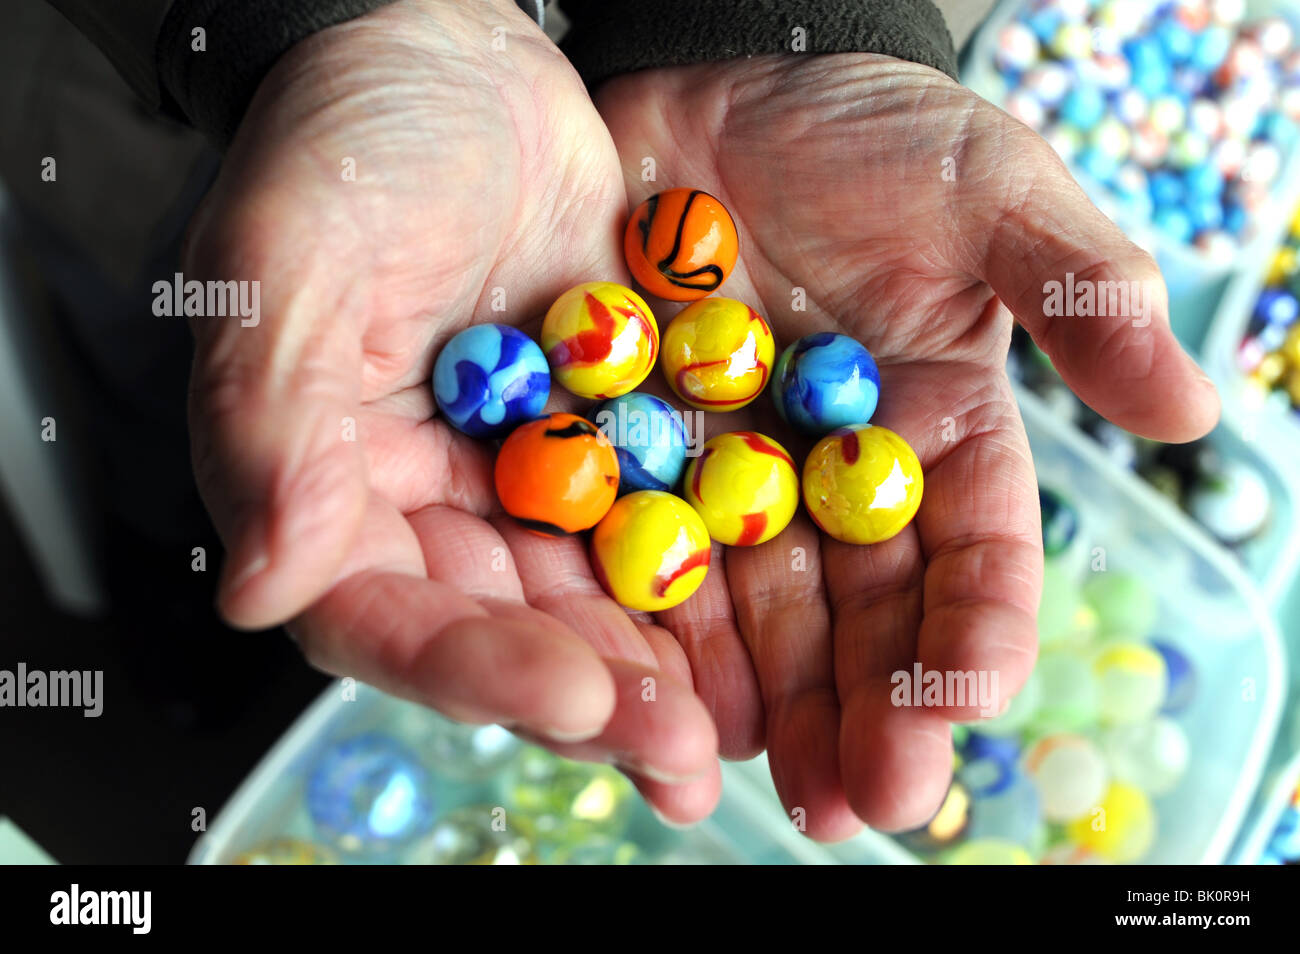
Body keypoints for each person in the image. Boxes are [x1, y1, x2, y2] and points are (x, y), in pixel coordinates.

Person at [27, 0, 1218, 841]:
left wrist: (764, 21)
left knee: (262, 470)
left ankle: (186, 645)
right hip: (139, 116)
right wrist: (295, 22)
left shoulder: (703, 397)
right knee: (187, 425)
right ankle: (172, 657)